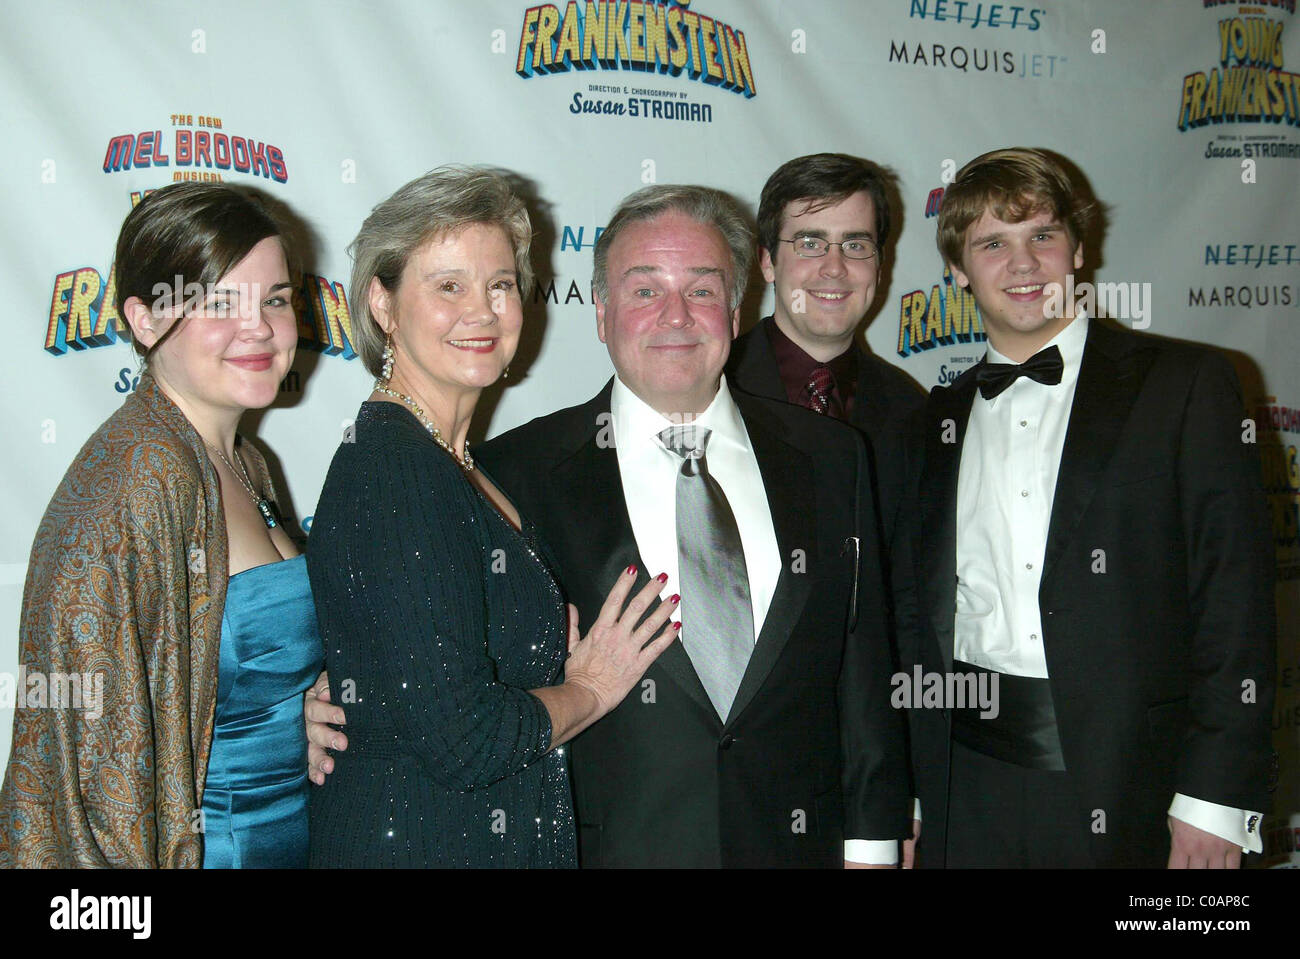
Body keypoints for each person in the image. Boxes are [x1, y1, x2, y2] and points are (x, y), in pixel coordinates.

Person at [476, 184, 911, 867]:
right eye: (644, 290)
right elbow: (468, 685)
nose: (676, 316)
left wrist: (874, 843)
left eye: (703, 290)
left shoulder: (831, 457)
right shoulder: (514, 473)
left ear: (736, 311)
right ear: (600, 310)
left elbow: (863, 667)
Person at [894, 147, 1276, 868]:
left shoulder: (1184, 386)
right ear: (957, 269)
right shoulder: (928, 424)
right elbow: (914, 622)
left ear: (1077, 246)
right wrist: (907, 794)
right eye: (992, 244)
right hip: (964, 784)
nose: (1024, 262)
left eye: (1042, 234)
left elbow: (1236, 601)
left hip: (1137, 783)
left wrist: (1216, 800)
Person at [305, 166, 678, 868]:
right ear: (382, 304)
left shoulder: (460, 464)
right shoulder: (396, 466)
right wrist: (588, 688)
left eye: (500, 284)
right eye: (448, 286)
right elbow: (461, 738)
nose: (482, 311)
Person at [0, 182, 323, 867]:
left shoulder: (245, 461)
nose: (260, 327)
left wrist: (294, 720)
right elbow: (85, 772)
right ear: (144, 320)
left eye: (274, 299)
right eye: (218, 302)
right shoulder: (136, 481)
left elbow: (225, 675)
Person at [728, 153, 924, 549]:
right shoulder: (710, 386)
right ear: (768, 262)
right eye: (811, 243)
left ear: (879, 267)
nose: (834, 268)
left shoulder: (912, 412)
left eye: (855, 244)